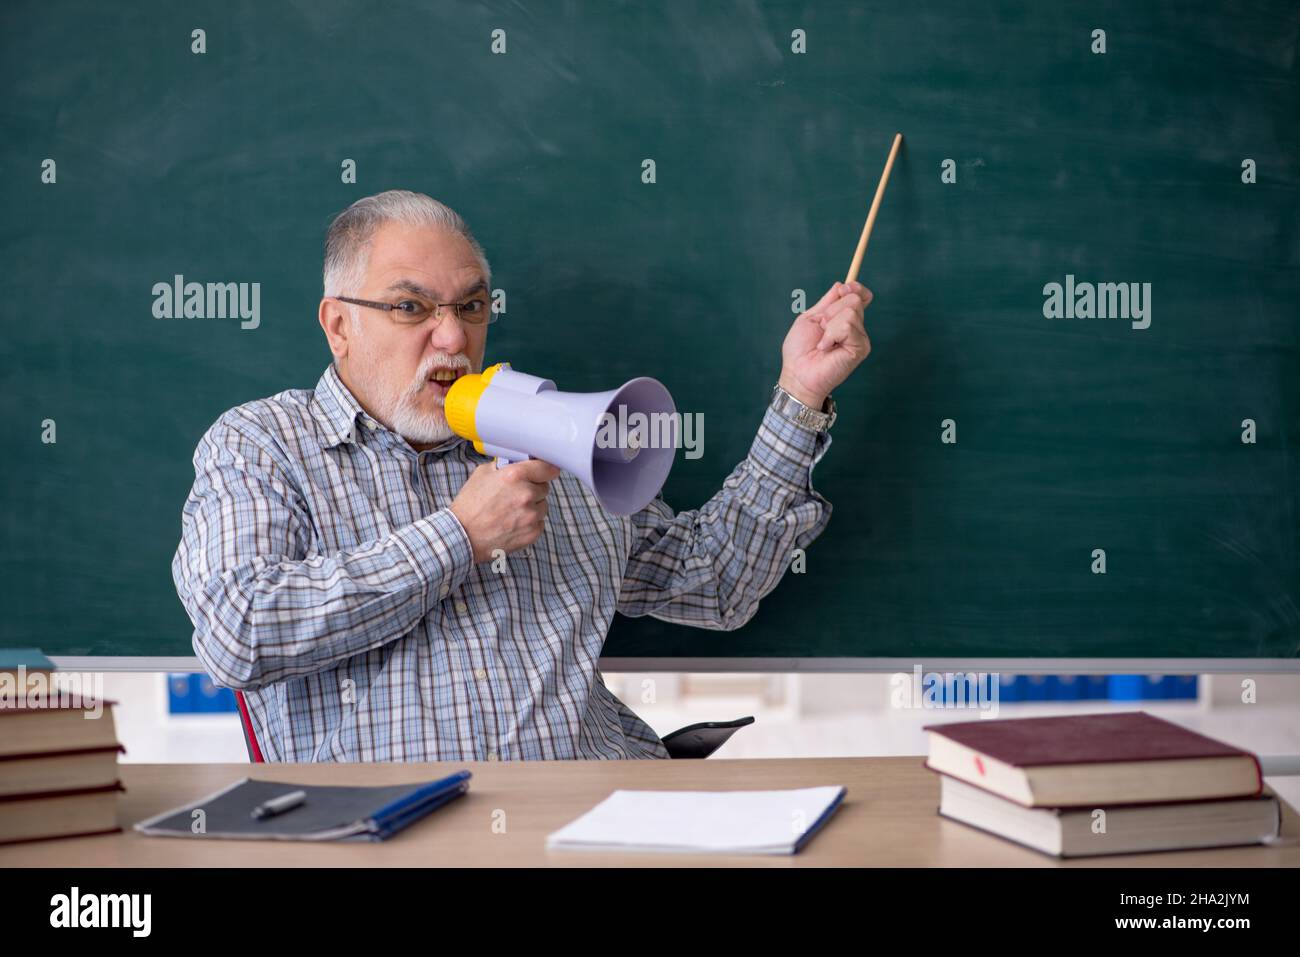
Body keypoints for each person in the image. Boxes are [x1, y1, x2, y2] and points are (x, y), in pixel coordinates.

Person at [172, 189, 872, 761]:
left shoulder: (546, 438)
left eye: (471, 306)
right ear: (338, 325)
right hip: (389, 842)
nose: (452, 337)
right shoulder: (262, 444)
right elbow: (239, 631)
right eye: (410, 306)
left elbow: (717, 583)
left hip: (602, 819)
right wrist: (460, 536)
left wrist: (801, 395)